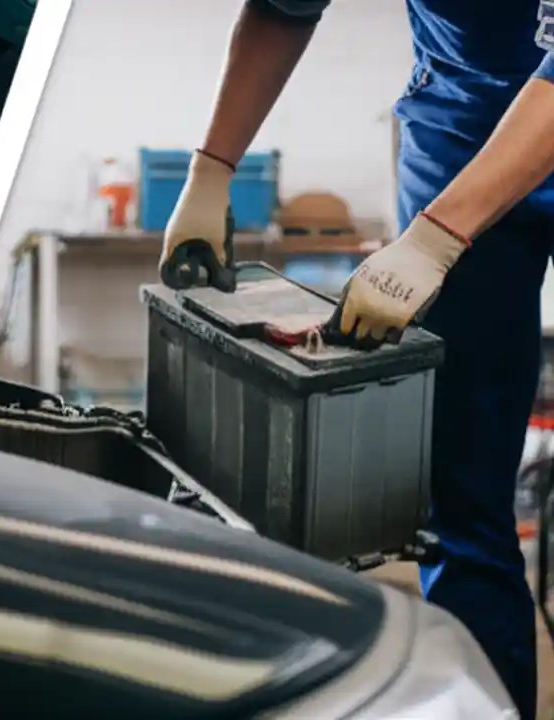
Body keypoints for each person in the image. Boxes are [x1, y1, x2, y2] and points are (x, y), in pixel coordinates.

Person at [159, 1, 554, 716]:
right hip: (461, 124)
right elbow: (284, 7)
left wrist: (437, 236)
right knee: (458, 492)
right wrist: (212, 169)